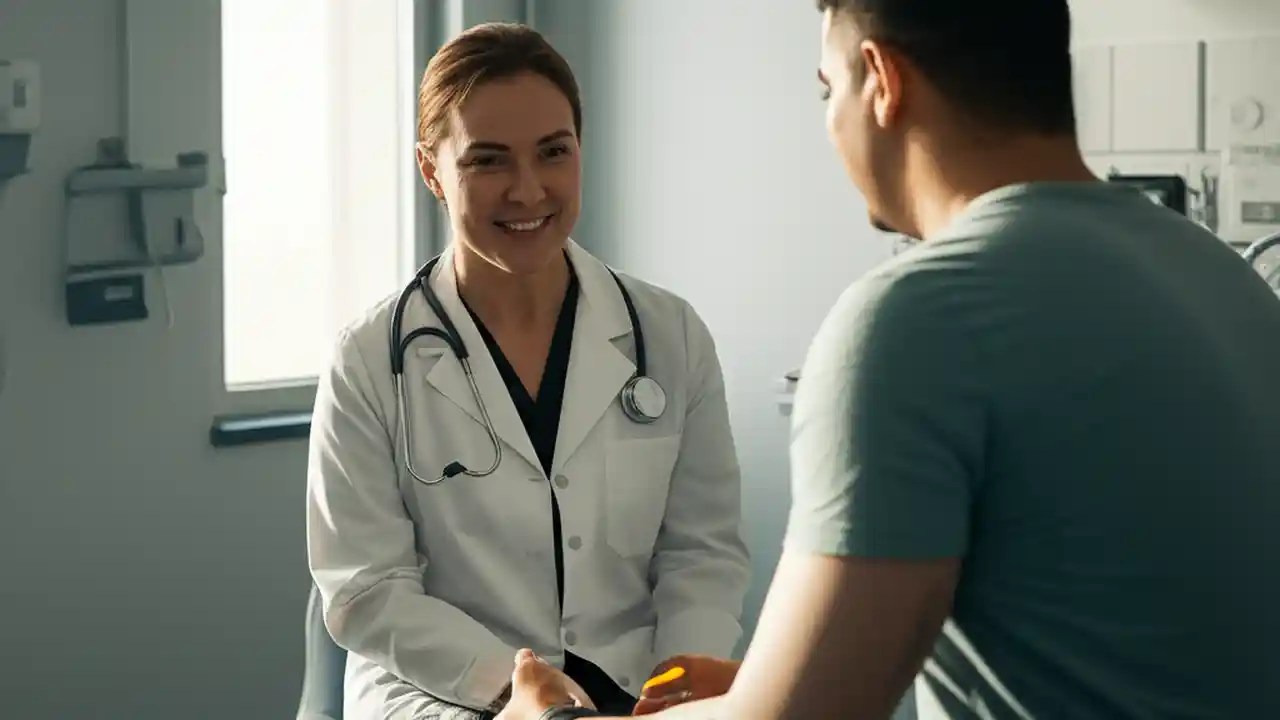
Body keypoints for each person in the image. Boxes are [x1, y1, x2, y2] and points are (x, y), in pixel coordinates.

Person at [493, 0, 1280, 718]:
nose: (829, 119)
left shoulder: (919, 318)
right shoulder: (1225, 281)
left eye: (825, 87)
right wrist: (781, 675)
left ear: (880, 80)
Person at [305, 22, 751, 719]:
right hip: (442, 690)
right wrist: (515, 684)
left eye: (553, 153)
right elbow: (367, 589)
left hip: (637, 683)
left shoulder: (670, 335)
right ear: (431, 170)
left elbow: (703, 551)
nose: (528, 190)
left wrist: (680, 682)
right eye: (488, 161)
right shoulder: (367, 363)